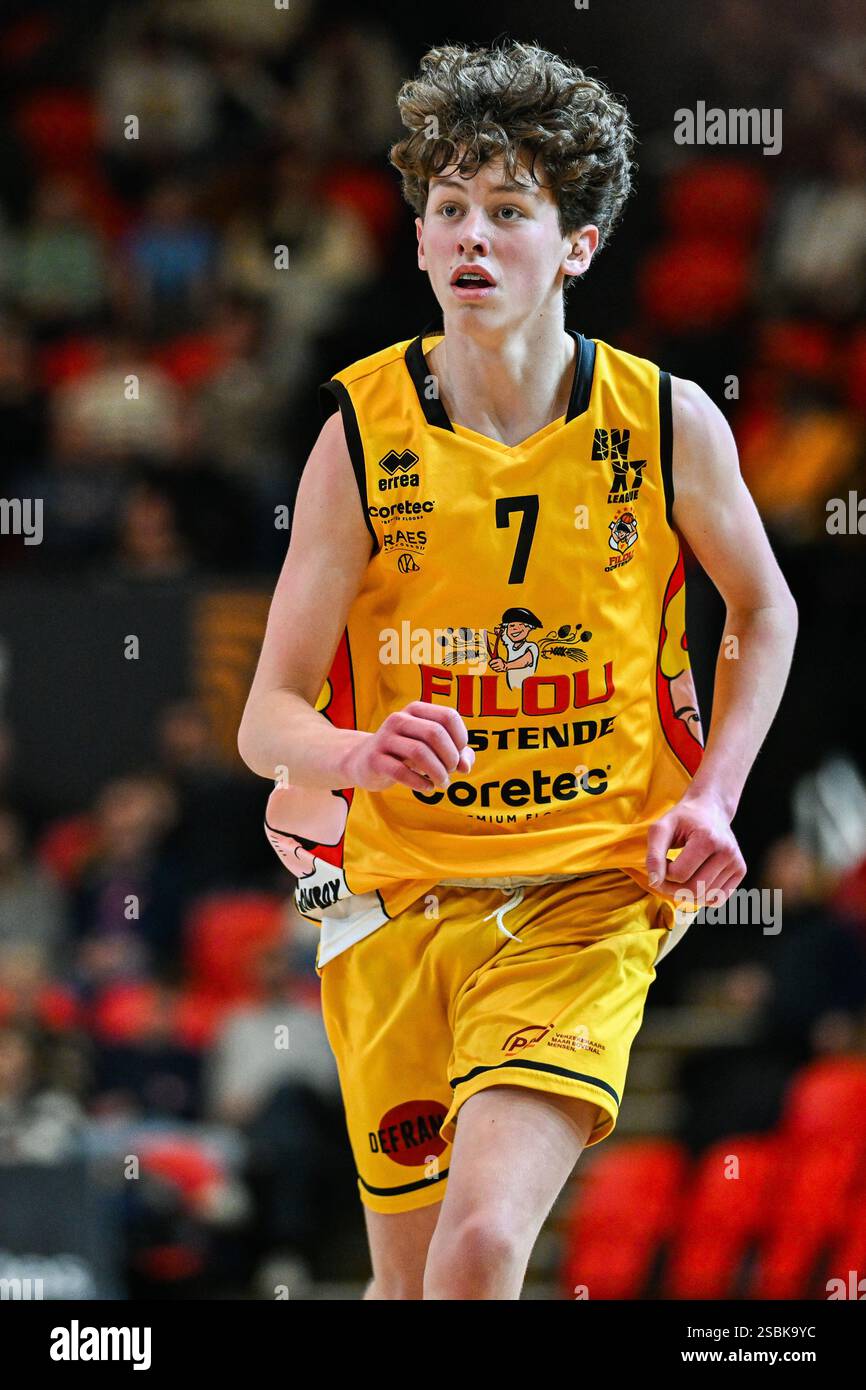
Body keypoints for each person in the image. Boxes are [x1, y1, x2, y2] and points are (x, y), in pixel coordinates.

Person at [237, 39, 798, 1300]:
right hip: (393, 899)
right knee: (406, 1285)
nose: (472, 238)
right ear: (421, 241)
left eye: (508, 211)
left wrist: (711, 793)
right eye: (448, 210)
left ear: (578, 246)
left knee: (483, 1247)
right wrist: (352, 752)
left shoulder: (660, 420)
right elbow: (264, 723)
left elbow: (762, 612)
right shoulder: (357, 430)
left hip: (585, 890)